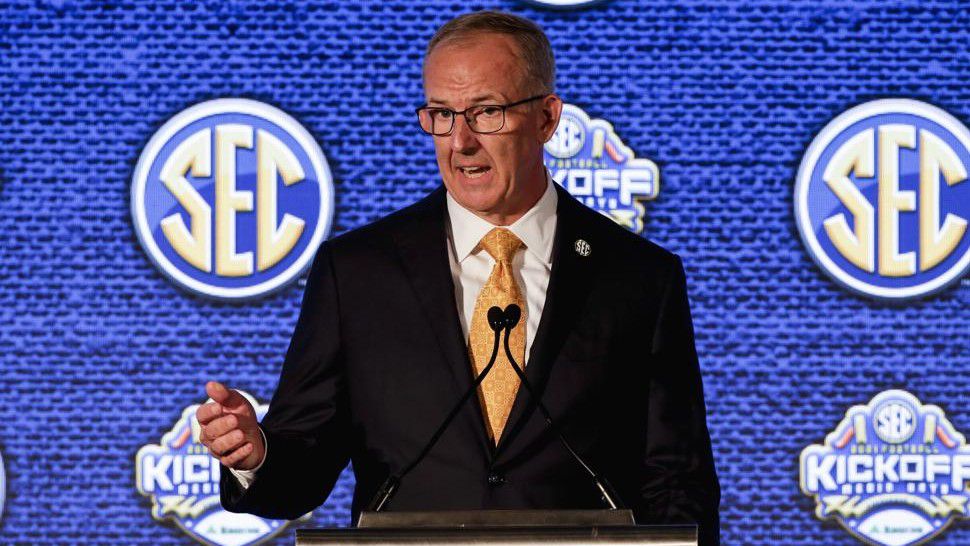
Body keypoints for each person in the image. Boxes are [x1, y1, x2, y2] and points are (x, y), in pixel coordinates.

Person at [195, 10, 720, 545]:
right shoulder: (357, 274)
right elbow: (302, 470)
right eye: (441, 114)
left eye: (487, 112)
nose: (460, 141)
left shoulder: (637, 277)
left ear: (546, 118)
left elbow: (678, 482)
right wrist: (257, 453)